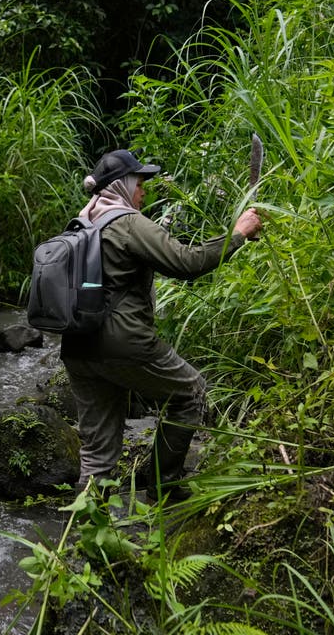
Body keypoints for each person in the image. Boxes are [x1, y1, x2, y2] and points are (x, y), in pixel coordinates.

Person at [60, 149, 263, 501]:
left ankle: (87, 528)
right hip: (124, 343)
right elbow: (186, 263)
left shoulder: (81, 224)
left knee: (97, 451)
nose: (144, 192)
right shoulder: (127, 223)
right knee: (191, 393)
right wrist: (238, 234)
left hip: (78, 347)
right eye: (139, 184)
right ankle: (161, 484)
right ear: (122, 186)